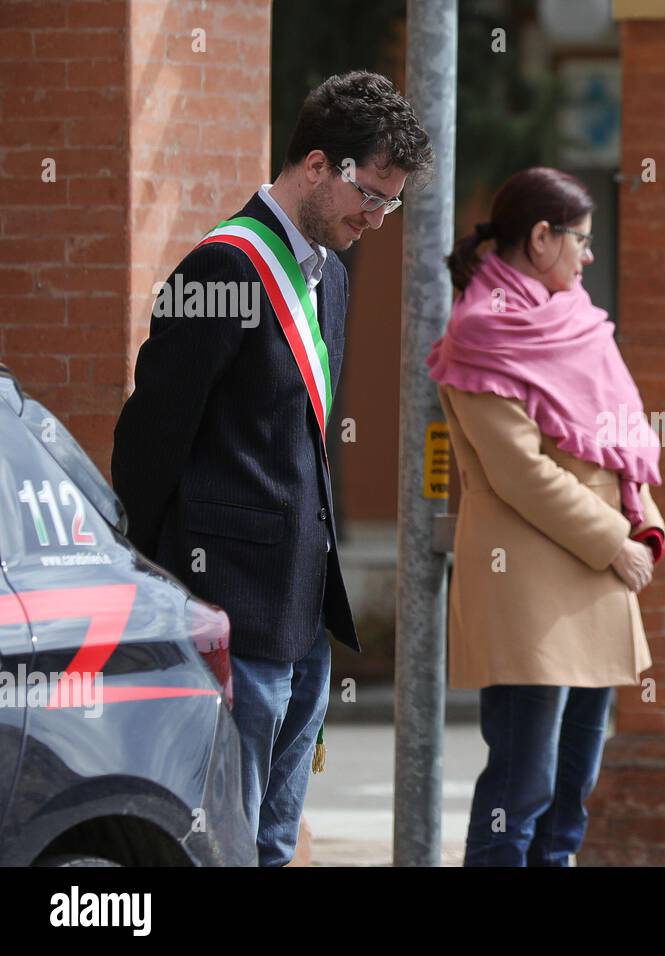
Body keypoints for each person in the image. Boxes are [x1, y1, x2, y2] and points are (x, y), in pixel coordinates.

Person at [111, 71, 432, 866]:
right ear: (319, 164)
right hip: (228, 604)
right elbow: (150, 438)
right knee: (221, 839)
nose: (379, 219)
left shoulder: (333, 278)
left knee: (274, 845)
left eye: (392, 204)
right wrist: (149, 586)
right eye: (372, 195)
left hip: (303, 609)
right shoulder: (222, 267)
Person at [427, 167, 665, 866]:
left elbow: (625, 432)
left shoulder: (577, 320)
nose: (587, 256)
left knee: (573, 785)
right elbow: (517, 471)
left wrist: (645, 525)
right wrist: (612, 542)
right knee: (520, 782)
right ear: (540, 237)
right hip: (531, 583)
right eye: (580, 241)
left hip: (601, 571)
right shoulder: (480, 332)